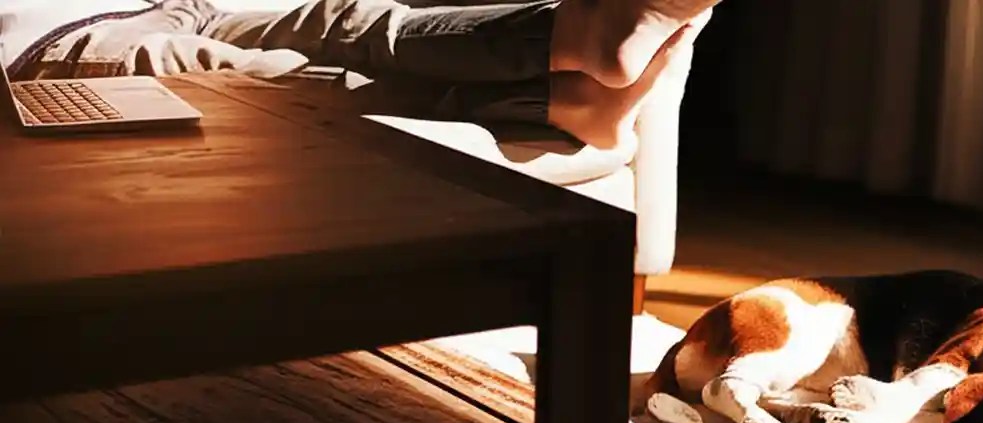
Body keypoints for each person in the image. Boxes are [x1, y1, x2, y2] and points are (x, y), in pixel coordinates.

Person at [0, 0, 720, 149]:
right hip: (51, 42)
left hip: (182, 1)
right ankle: (558, 101)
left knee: (344, 20)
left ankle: (582, 36)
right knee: (257, 75)